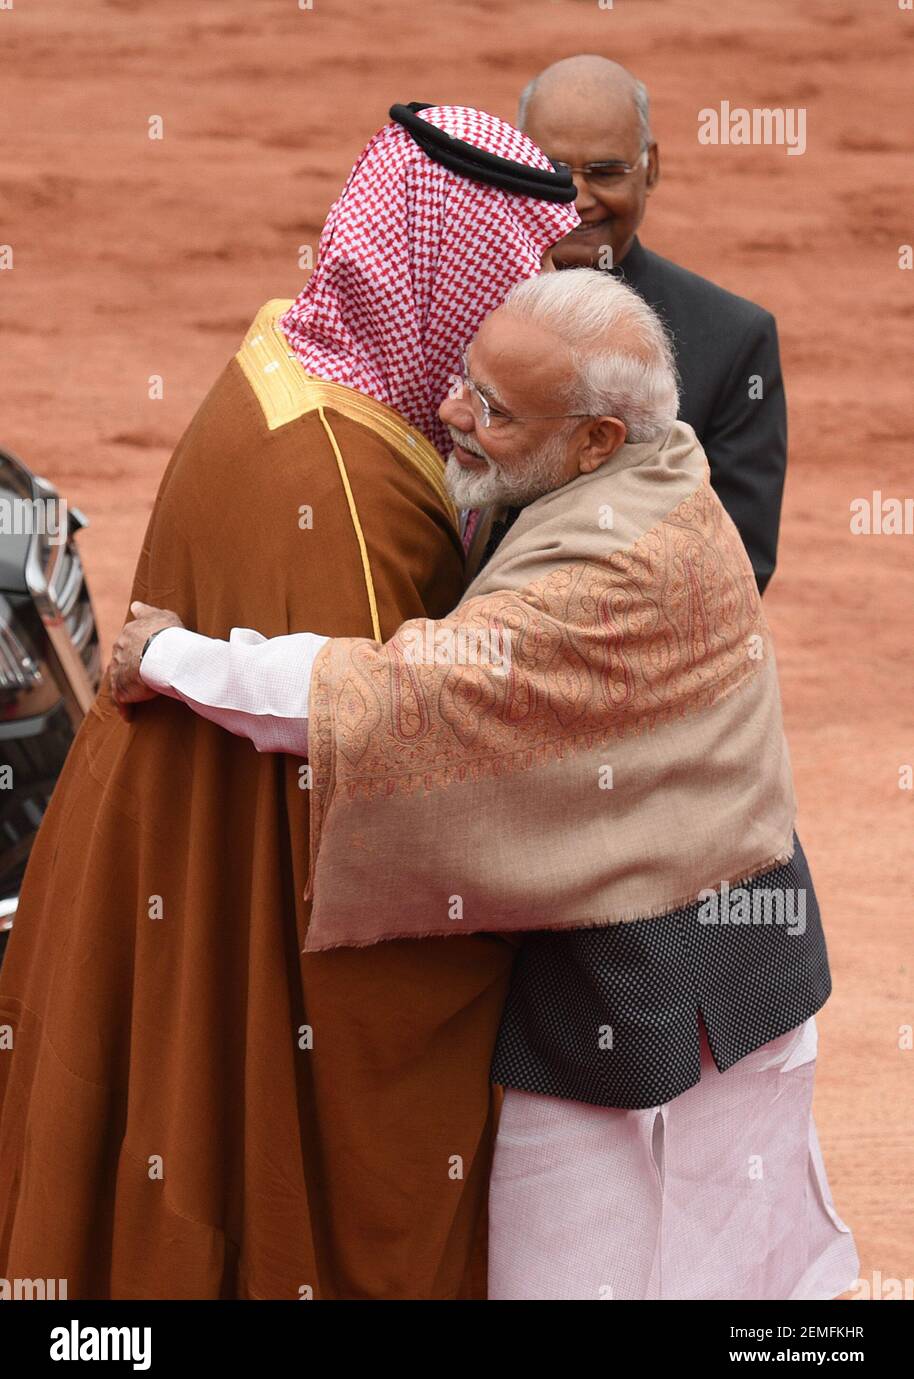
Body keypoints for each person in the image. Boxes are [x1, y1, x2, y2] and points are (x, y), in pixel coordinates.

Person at [111, 269, 859, 1300]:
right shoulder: (664, 473)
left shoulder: (600, 579)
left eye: (494, 410)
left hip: (633, 1002)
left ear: (596, 439)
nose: (451, 413)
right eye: (462, 380)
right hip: (749, 969)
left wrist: (172, 657)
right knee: (743, 1269)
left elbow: (387, 700)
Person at [0, 104, 579, 1299]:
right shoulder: (352, 506)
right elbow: (381, 814)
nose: (530, 332)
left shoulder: (284, 352)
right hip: (264, 938)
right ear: (444, 278)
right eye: (515, 287)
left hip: (152, 874)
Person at [464, 54, 787, 594]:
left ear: (651, 167)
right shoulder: (458, 302)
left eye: (606, 172)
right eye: (552, 169)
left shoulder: (731, 339)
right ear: (518, 164)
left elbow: (736, 565)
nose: (579, 197)